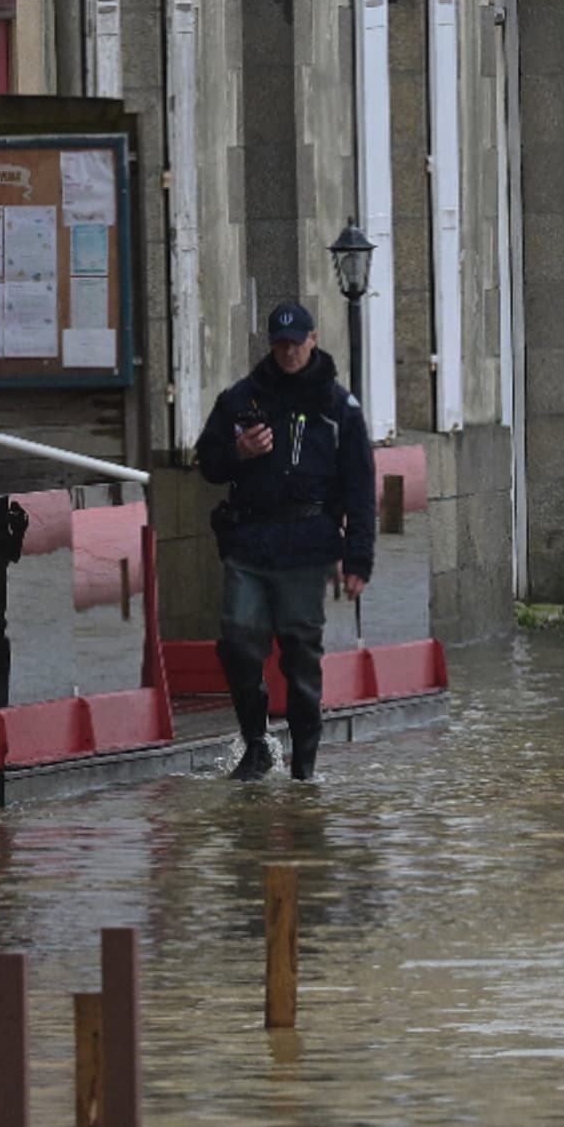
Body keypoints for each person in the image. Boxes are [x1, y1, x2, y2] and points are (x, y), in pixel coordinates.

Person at [192, 303, 376, 782]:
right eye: (280, 343)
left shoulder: (339, 408)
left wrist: (358, 557)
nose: (288, 351)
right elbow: (207, 463)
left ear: (313, 340)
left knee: (299, 654)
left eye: (296, 342)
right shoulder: (240, 400)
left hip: (308, 545)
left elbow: (360, 486)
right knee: (238, 644)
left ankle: (305, 769)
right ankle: (257, 743)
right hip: (250, 540)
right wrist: (239, 452)